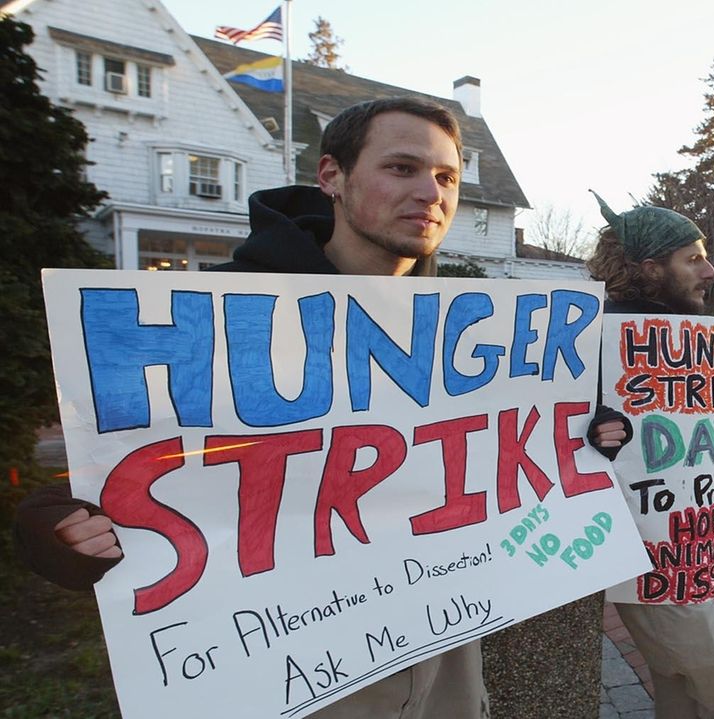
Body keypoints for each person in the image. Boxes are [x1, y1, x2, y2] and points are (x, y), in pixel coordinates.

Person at [14, 98, 628, 719]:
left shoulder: (472, 333)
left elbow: (509, 439)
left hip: (443, 646)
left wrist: (585, 432)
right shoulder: (220, 312)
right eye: (401, 168)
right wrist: (55, 528)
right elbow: (114, 465)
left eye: (445, 177)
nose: (429, 193)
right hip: (292, 662)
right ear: (332, 176)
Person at [586, 194, 714, 719]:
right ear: (649, 268)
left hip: (701, 546)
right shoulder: (595, 336)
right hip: (652, 552)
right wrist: (595, 429)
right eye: (692, 258)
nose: (710, 270)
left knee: (679, 683)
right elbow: (545, 427)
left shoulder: (701, 338)